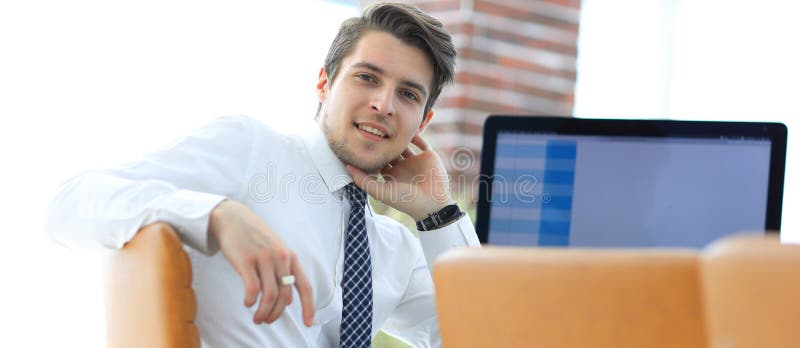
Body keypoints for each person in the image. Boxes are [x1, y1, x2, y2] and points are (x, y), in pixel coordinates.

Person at [46, 2, 480, 347]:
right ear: (324, 84)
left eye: (407, 94)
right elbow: (69, 204)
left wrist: (439, 212)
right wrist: (216, 215)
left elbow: (483, 336)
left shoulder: (394, 250)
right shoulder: (249, 150)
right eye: (367, 77)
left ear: (421, 124)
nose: (384, 104)